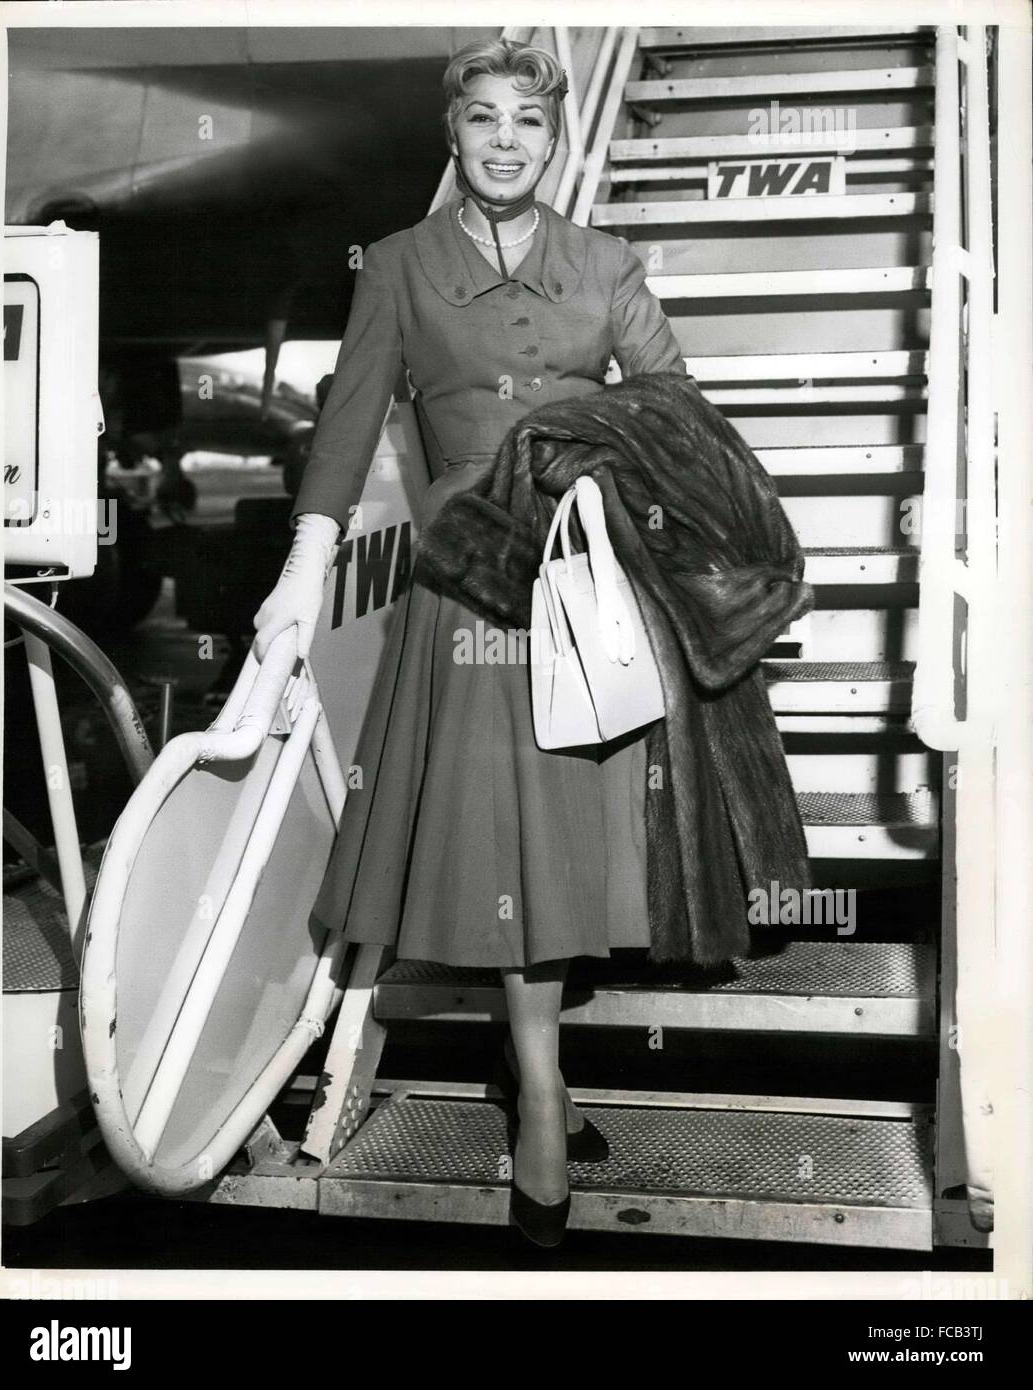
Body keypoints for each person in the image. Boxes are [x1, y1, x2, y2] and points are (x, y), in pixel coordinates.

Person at [253, 37, 693, 1246]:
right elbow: (344, 429)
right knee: (503, 823)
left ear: (556, 140)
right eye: (486, 119)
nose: (508, 140)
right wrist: (303, 570)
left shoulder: (605, 263)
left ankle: (534, 1065)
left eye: (531, 123)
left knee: (559, 828)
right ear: (455, 133)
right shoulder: (396, 266)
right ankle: (544, 1089)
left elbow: (674, 404)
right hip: (468, 580)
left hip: (584, 571)